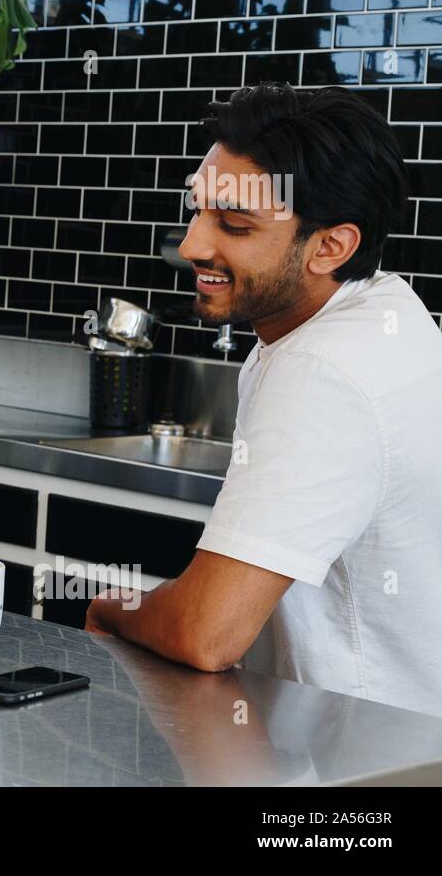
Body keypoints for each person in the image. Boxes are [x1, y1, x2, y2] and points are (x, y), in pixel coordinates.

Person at [86, 84, 442, 717]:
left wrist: (113, 610)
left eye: (235, 225)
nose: (193, 245)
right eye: (198, 210)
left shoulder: (322, 369)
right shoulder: (388, 308)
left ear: (331, 246)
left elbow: (207, 633)